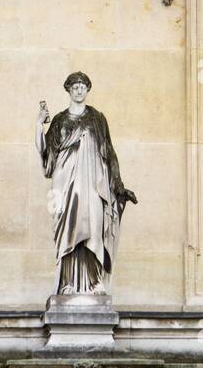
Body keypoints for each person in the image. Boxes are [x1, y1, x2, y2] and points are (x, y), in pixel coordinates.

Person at [35, 71, 137, 295]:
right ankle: (68, 283)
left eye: (83, 86)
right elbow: (48, 156)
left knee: (93, 227)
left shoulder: (97, 119)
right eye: (75, 86)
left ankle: (93, 282)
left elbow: (108, 152)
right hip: (66, 184)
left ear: (88, 89)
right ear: (69, 90)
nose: (79, 89)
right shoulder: (60, 120)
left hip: (92, 184)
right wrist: (39, 125)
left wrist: (118, 185)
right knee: (70, 229)